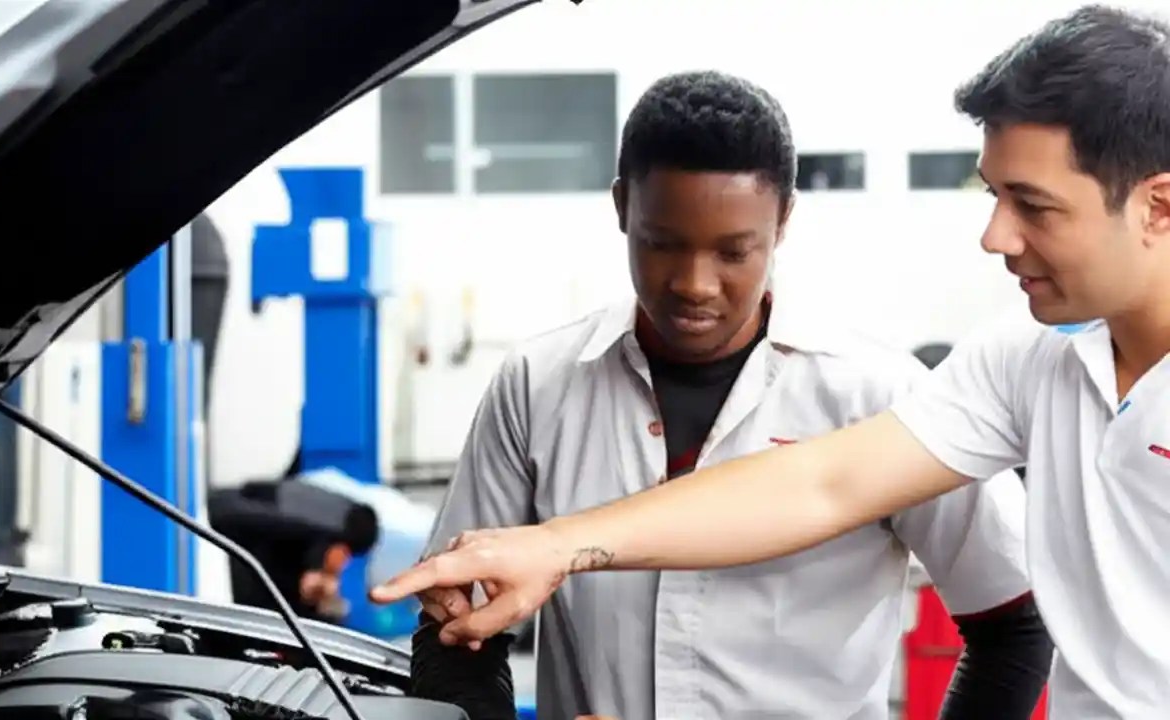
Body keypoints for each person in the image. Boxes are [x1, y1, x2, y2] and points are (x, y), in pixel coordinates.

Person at [372, 6, 1170, 719]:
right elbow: (823, 482)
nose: (993, 236)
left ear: (1156, 207)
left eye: (1031, 205)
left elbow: (1007, 628)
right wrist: (556, 546)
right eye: (991, 194)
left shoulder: (873, 376)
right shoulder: (1028, 361)